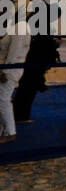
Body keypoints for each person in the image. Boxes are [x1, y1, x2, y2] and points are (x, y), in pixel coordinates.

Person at [12, 0, 58, 124]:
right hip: (33, 58)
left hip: (29, 57)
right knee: (27, 87)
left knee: (25, 87)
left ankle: (17, 113)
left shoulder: (32, 14)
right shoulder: (34, 17)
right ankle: (19, 115)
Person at [0, 11, 30, 141]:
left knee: (3, 100)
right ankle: (4, 130)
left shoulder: (20, 28)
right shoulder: (20, 27)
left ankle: (10, 132)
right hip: (10, 67)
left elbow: (14, 52)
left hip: (10, 69)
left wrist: (4, 71)